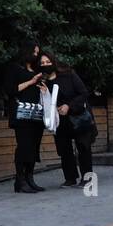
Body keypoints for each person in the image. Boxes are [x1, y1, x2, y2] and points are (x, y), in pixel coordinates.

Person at [42, 53, 94, 187]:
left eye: (48, 61)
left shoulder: (69, 75)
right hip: (60, 121)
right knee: (64, 150)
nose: (45, 65)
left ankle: (87, 177)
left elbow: (83, 93)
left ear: (53, 62)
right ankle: (70, 178)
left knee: (83, 148)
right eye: (42, 63)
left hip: (77, 116)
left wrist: (69, 106)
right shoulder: (43, 82)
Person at [4, 41, 48, 194]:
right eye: (34, 52)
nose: (36, 55)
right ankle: (20, 181)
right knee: (24, 146)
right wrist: (32, 81)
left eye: (37, 52)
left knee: (34, 147)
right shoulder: (15, 68)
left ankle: (30, 178)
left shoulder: (36, 69)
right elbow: (11, 90)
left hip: (36, 113)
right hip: (22, 114)